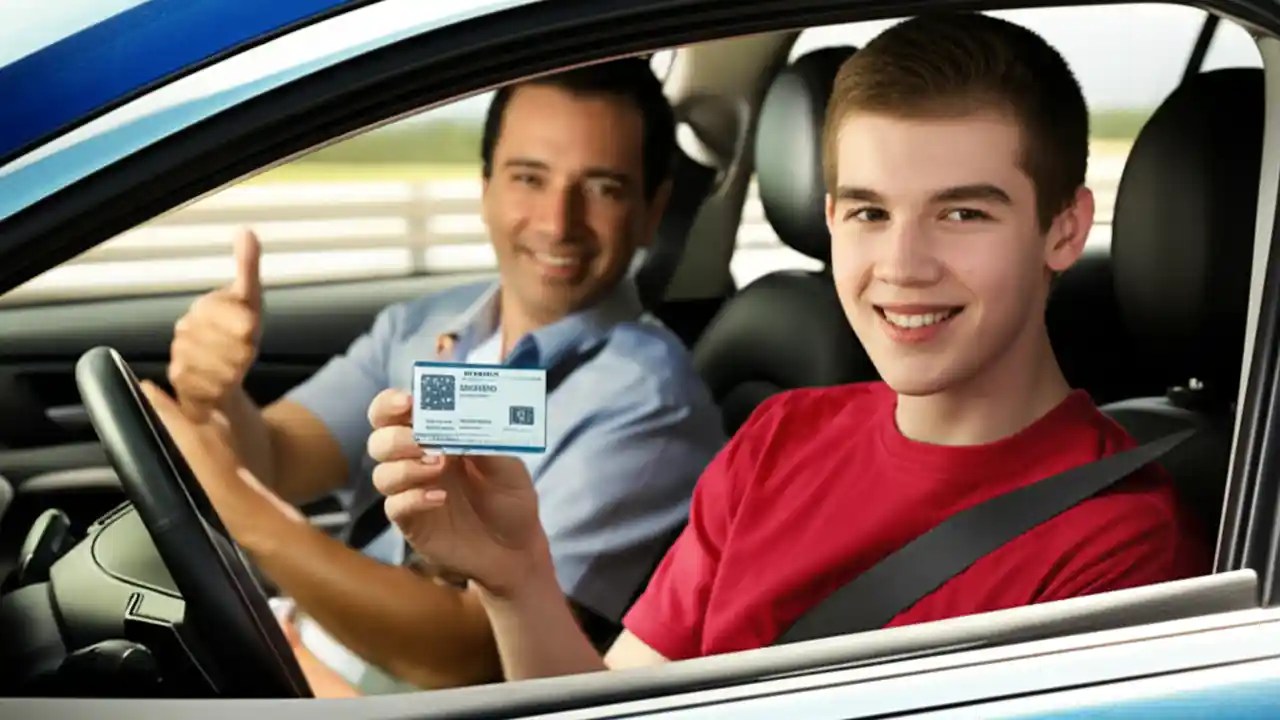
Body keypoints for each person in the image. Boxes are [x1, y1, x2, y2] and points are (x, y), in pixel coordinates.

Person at [355, 12, 1212, 677]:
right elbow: (612, 704)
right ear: (832, 219)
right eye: (871, 213)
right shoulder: (778, 439)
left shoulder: (1119, 550)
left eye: (961, 213)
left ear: (1063, 231)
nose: (903, 267)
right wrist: (516, 578)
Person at [141, 58, 726, 694]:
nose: (559, 222)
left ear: (650, 210)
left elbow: (470, 653)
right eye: (529, 178)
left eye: (604, 188)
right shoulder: (428, 324)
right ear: (486, 190)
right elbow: (279, 457)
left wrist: (245, 514)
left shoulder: (647, 398)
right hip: (297, 648)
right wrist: (221, 399)